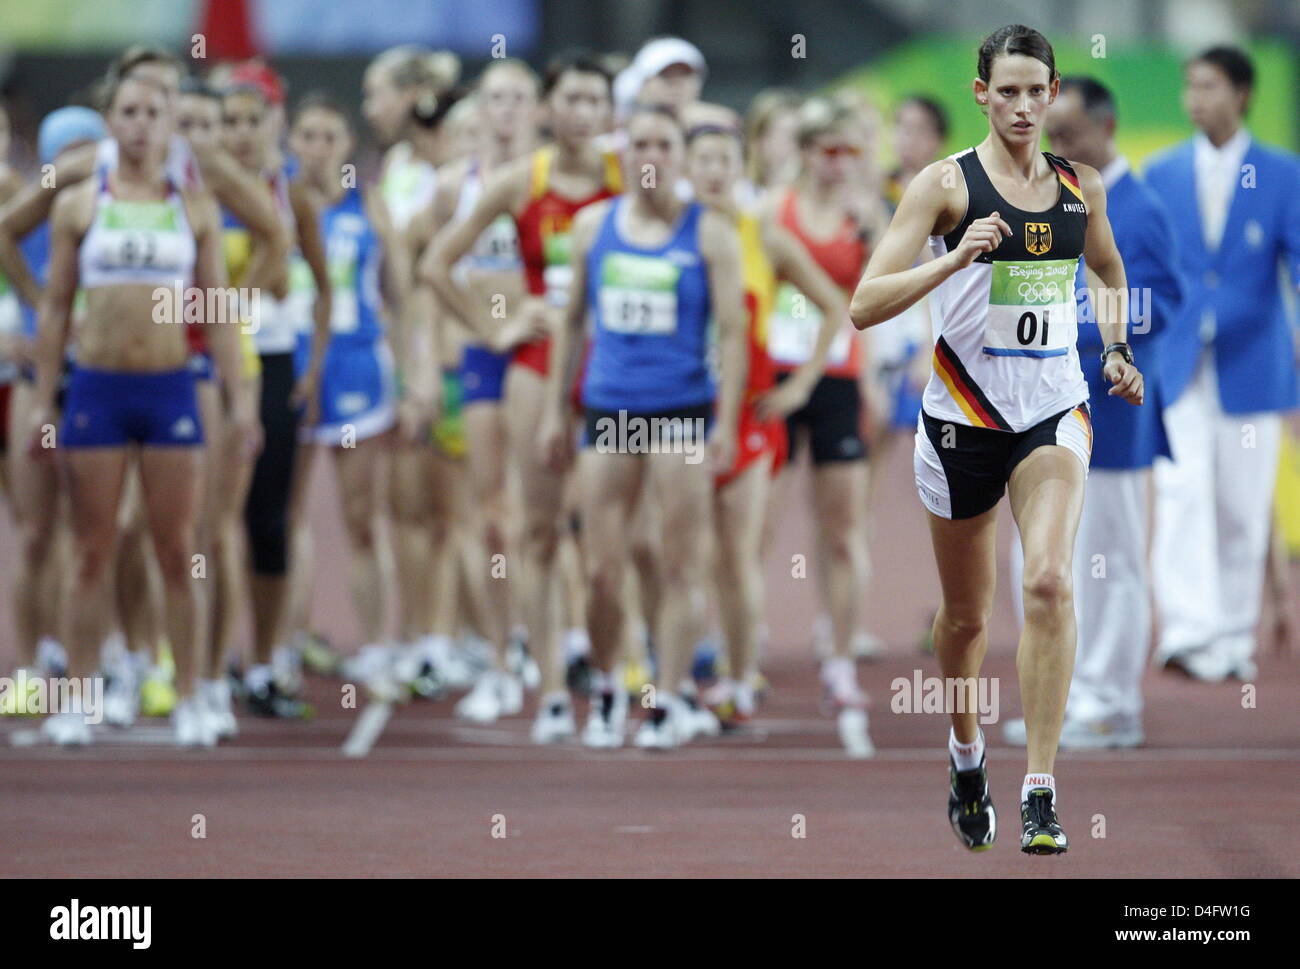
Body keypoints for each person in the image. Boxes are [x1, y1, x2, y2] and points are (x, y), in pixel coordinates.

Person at [851, 24, 1143, 853]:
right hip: (960, 423)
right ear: (981, 94)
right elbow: (865, 303)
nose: (1022, 105)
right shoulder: (944, 187)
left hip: (1052, 411)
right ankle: (966, 751)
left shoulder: (1081, 185)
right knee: (968, 619)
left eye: (1035, 90)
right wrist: (950, 262)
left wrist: (1117, 347)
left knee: (1048, 581)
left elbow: (1110, 270)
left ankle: (1042, 788)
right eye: (1005, 90)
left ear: (1054, 95)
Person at [29, 71, 257, 746]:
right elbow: (54, 308)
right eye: (127, 112)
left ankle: (189, 692)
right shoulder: (78, 204)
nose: (139, 124)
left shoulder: (193, 206)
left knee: (179, 548)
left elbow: (217, 312)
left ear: (168, 125)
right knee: (91, 550)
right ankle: (78, 697)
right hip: (98, 387)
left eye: (153, 113)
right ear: (110, 120)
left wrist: (241, 398)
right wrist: (45, 398)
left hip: (169, 390)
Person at [426, 52, 622, 735]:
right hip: (537, 364)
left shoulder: (635, 178)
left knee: (610, 544)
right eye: (570, 99)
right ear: (550, 110)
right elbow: (435, 262)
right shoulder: (519, 182)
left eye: (596, 100)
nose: (582, 113)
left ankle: (615, 683)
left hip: (619, 370)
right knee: (532, 530)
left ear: (609, 112)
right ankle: (546, 692)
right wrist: (495, 327)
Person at [541, 104, 747, 749]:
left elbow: (736, 336)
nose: (650, 155)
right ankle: (606, 687)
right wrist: (555, 408)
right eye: (639, 144)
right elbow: (571, 321)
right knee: (604, 568)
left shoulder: (710, 233)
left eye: (663, 143)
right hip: (610, 411)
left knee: (681, 564)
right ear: (622, 155)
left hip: (681, 413)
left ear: (680, 156)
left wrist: (727, 424)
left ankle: (669, 696)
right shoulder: (591, 226)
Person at [1001, 76, 1183, 750]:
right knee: (1043, 560)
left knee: (1110, 558)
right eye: (1052, 135)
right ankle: (1063, 695)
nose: (1058, 146)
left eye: (1071, 136)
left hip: (1110, 414)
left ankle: (1111, 699)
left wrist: (1080, 326)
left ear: (1106, 129)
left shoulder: (1140, 207)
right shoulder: (1049, 198)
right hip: (1037, 409)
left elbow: (1164, 300)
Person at [1144, 46, 1300, 683]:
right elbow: (1143, 261)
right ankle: (1187, 628)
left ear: (1242, 93)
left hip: (1252, 362)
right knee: (1181, 492)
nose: (1194, 99)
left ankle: (1233, 634)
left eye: (1207, 86)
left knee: (1242, 502)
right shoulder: (1161, 171)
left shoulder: (1282, 173)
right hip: (1178, 361)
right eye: (1188, 86)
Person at [685, 122, 847, 729]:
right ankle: (668, 670)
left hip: (750, 411)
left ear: (740, 167)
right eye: (701, 159)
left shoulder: (765, 239)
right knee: (669, 550)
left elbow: (834, 305)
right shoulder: (666, 234)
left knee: (737, 552)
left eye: (725, 160)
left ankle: (739, 672)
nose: (713, 171)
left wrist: (800, 385)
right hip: (676, 410)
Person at [760, 97, 879, 713]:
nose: (841, 163)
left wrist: (879, 375)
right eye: (830, 150)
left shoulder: (866, 217)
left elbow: (880, 297)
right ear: (807, 152)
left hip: (838, 375)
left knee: (842, 528)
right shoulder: (772, 210)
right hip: (777, 375)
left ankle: (839, 657)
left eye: (851, 151)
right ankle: (743, 645)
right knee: (758, 521)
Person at [0, 107, 103, 718]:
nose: (83, 162)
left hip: (105, 379)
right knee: (37, 532)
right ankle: (36, 665)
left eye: (93, 149)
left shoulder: (118, 202)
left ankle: (106, 659)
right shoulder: (36, 206)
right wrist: (42, 312)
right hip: (42, 375)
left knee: (101, 534)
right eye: (71, 152)